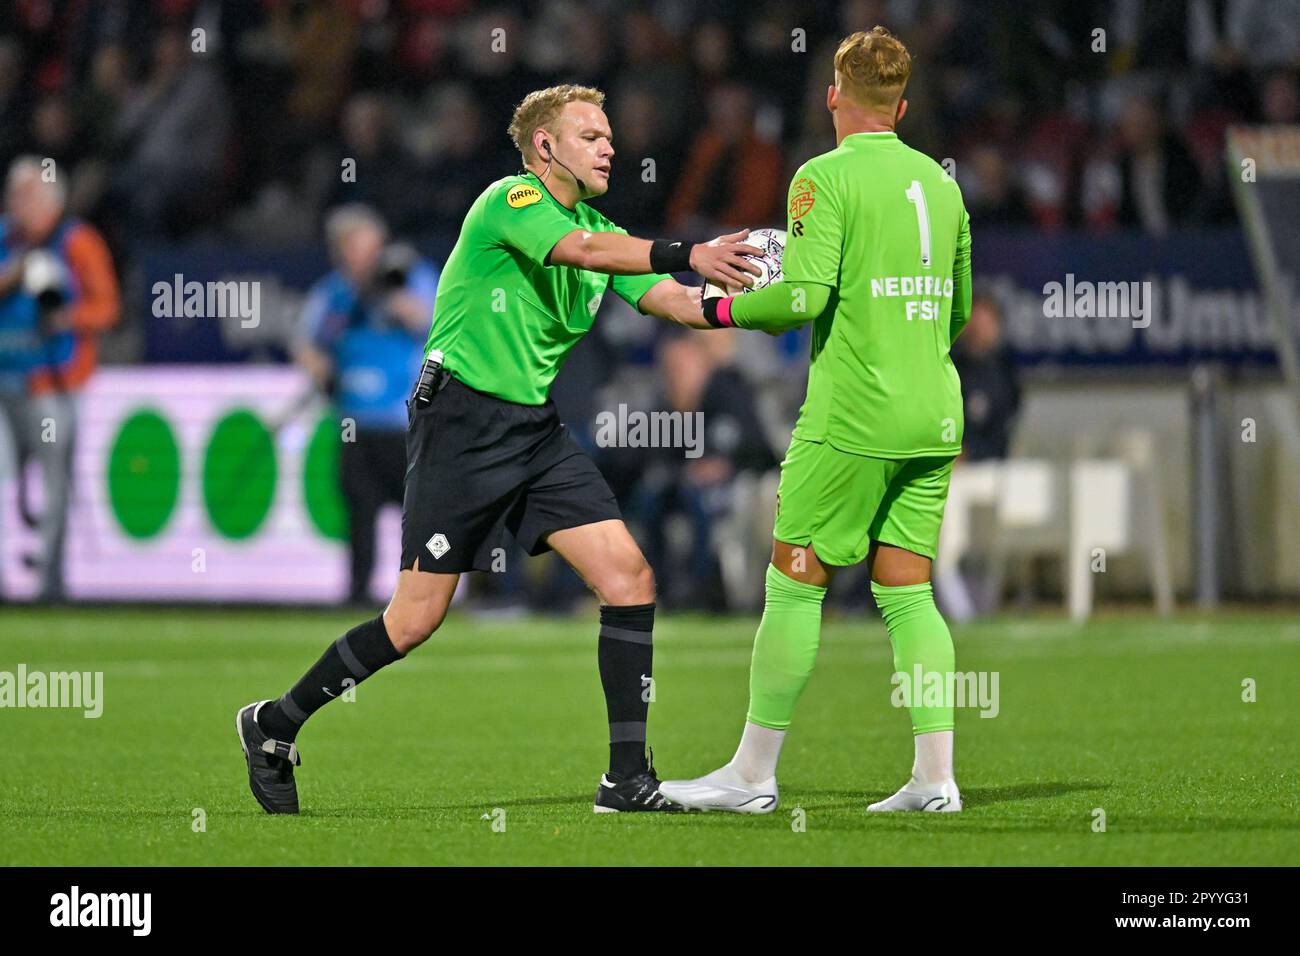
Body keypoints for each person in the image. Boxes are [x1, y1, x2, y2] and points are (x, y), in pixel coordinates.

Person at [237, 83, 764, 814]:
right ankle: (274, 725)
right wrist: (688, 249)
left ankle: (625, 780)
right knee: (413, 621)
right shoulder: (509, 203)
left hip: (532, 431)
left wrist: (757, 300)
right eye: (591, 135)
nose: (610, 146)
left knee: (629, 579)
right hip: (461, 421)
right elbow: (585, 250)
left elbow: (669, 298)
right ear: (545, 147)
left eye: (610, 135)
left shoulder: (596, 228)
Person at [659, 27, 973, 814]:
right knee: (908, 593)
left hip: (853, 416)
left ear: (833, 95)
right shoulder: (944, 185)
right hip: (934, 414)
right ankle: (935, 779)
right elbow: (959, 310)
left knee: (794, 585)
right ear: (901, 106)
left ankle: (752, 775)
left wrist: (718, 308)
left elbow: (799, 298)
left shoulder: (820, 179)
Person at [294, 204, 438, 604]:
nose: (354, 255)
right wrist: (318, 367)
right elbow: (305, 343)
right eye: (347, 247)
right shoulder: (335, 291)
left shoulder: (409, 277)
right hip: (354, 422)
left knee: (419, 511)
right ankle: (358, 593)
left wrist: (395, 299)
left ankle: (426, 592)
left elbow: (436, 321)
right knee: (360, 511)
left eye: (361, 245)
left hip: (403, 420)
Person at [0, 156, 120, 602]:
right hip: (4, 382)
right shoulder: (5, 240)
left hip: (54, 383)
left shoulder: (76, 242)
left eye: (26, 194)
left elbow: (107, 307)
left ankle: (49, 581)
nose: (16, 203)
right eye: (14, 193)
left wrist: (67, 316)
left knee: (54, 483)